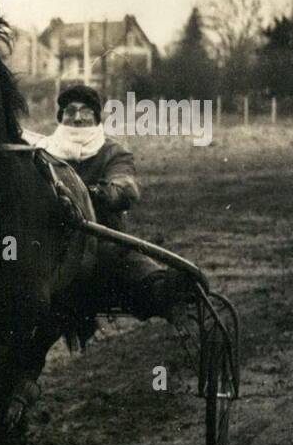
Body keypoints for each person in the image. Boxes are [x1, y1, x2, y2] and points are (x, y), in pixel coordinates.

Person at [27, 84, 192, 321]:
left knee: (124, 261)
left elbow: (126, 185)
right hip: (49, 241)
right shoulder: (42, 152)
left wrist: (99, 194)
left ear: (96, 117)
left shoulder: (113, 152)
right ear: (61, 117)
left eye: (85, 111)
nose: (77, 117)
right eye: (70, 111)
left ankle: (162, 288)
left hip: (100, 240)